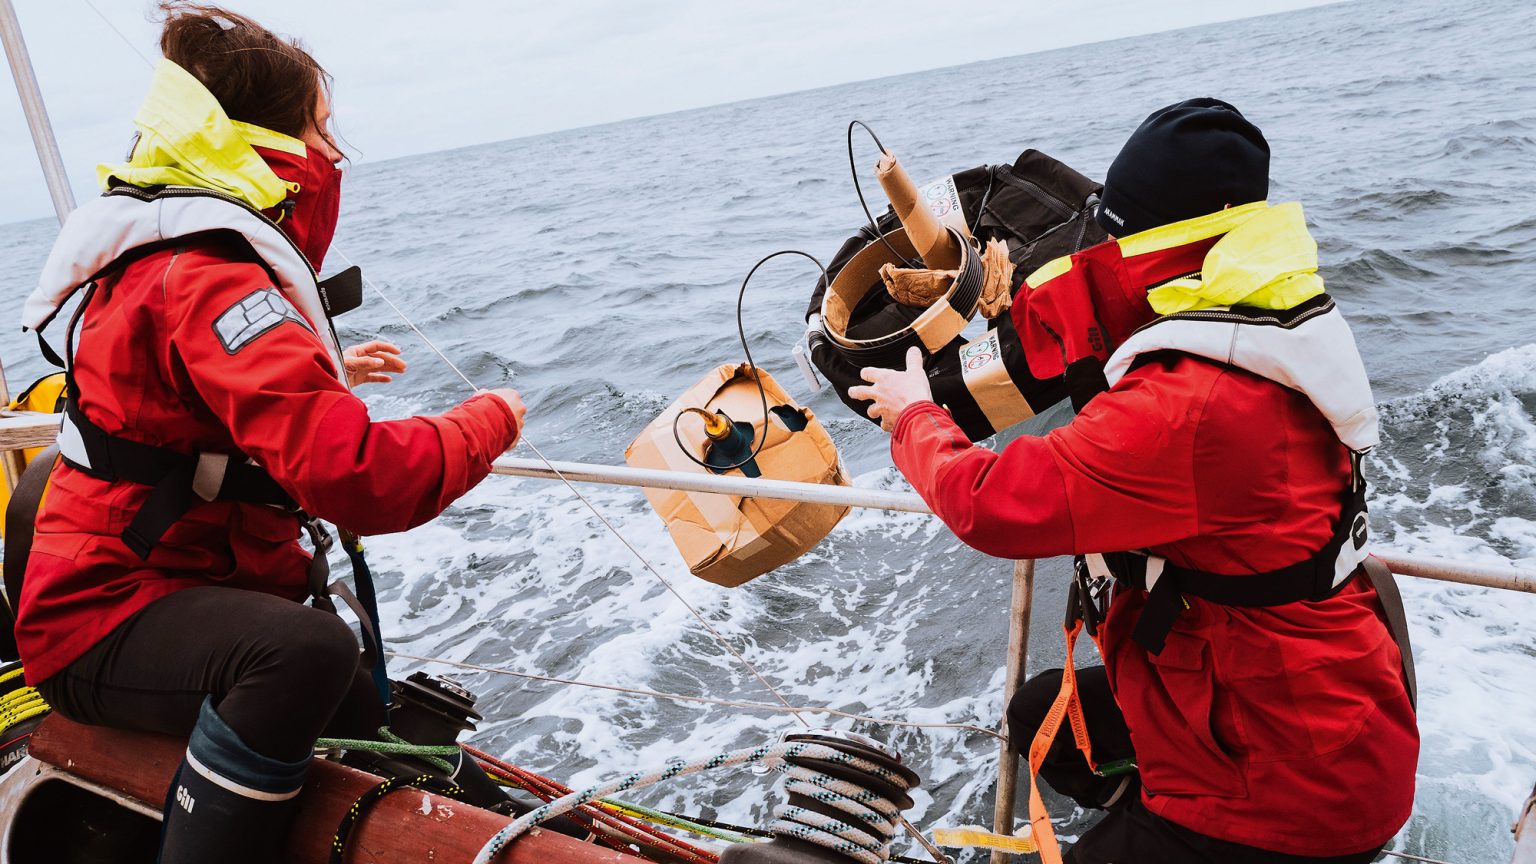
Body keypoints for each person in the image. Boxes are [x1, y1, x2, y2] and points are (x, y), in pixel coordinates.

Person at [11, 5, 526, 862]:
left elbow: (167, 397)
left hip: (170, 586)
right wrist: (490, 420)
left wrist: (325, 370)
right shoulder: (208, 273)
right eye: (325, 132)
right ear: (271, 143)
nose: (334, 155)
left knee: (389, 733)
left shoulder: (175, 254)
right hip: (97, 618)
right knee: (308, 652)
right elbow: (359, 477)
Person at [851, 99, 1419, 863]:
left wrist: (916, 413)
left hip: (1288, 787)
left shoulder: (1187, 410)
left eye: (1117, 234)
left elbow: (990, 505)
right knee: (1039, 712)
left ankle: (1165, 833)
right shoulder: (1270, 322)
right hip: (1306, 703)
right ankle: (1146, 812)